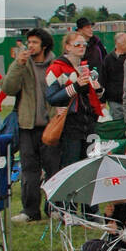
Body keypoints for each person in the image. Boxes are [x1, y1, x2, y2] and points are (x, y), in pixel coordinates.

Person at [2, 29, 61, 223]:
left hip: (50, 125)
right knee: (29, 169)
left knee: (54, 169)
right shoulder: (22, 64)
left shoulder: (55, 64)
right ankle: (30, 211)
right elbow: (8, 88)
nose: (30, 46)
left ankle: (54, 208)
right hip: (27, 125)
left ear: (44, 45)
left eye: (35, 42)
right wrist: (17, 65)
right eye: (29, 42)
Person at [45, 32, 105, 172]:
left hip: (89, 123)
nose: (82, 47)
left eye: (84, 44)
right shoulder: (56, 68)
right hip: (70, 125)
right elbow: (52, 98)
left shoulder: (85, 68)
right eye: (77, 44)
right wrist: (75, 86)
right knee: (71, 167)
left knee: (91, 166)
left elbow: (95, 98)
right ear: (67, 47)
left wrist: (98, 90)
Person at [101, 32, 126, 123]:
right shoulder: (108, 59)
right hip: (114, 100)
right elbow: (103, 79)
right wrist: (102, 100)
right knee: (118, 124)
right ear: (118, 44)